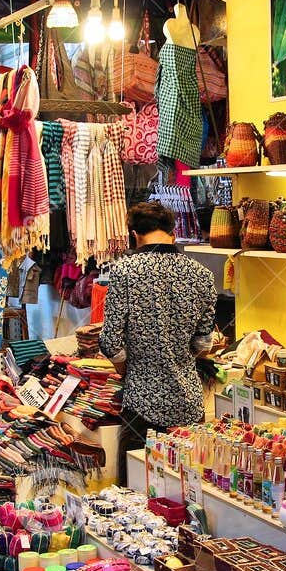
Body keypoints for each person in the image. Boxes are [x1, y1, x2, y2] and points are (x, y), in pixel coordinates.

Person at [99, 201, 217, 482]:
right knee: (188, 490)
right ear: (171, 233)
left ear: (135, 235)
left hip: (141, 403)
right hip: (188, 402)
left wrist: (126, 369)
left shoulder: (125, 271)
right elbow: (203, 344)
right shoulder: (202, 275)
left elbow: (110, 341)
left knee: (137, 493)